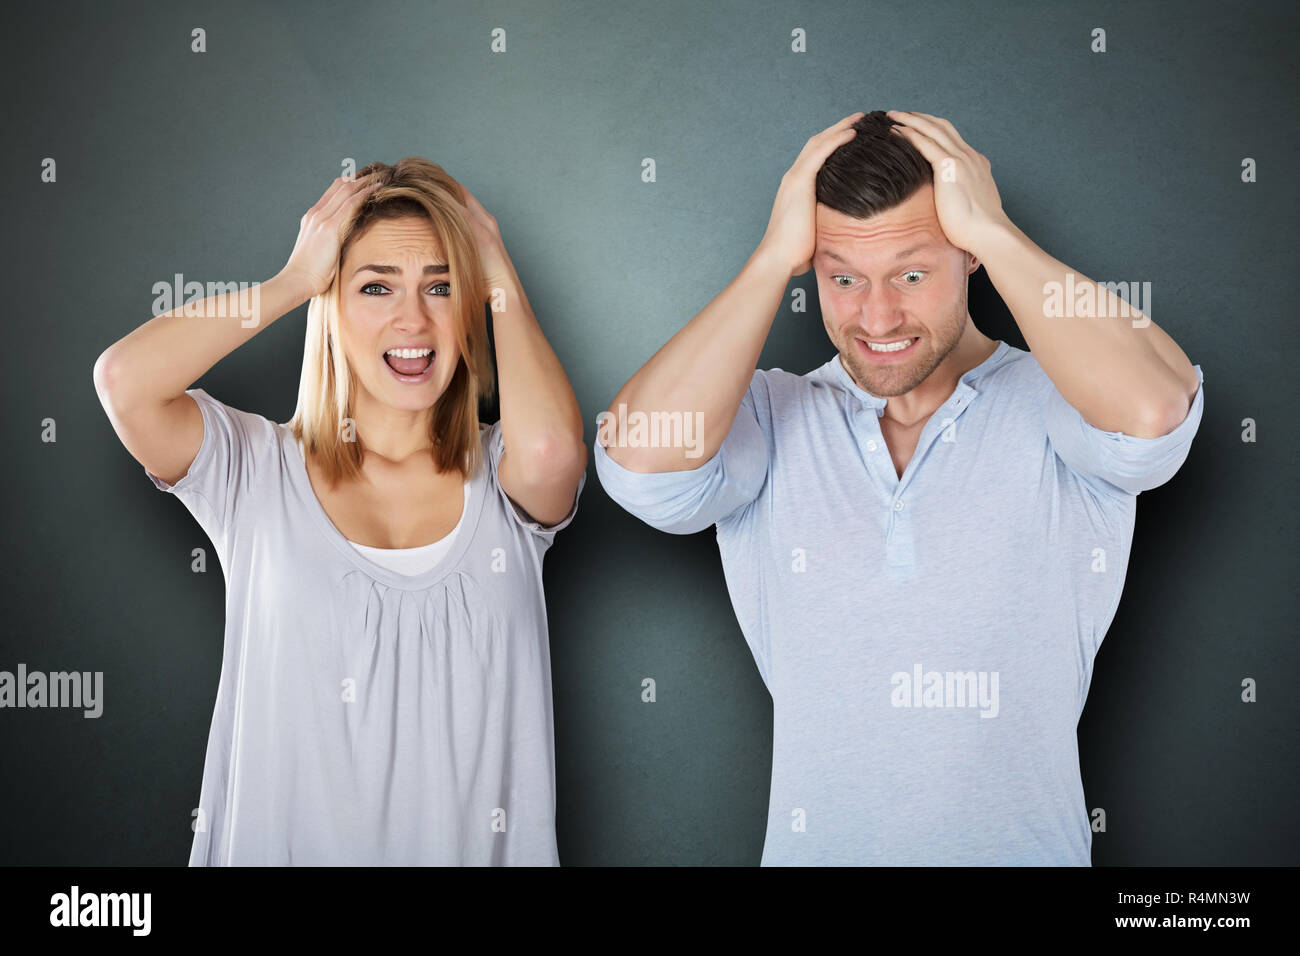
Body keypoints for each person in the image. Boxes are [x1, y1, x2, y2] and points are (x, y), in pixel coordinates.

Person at [594, 110, 1205, 865]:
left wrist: (996, 230)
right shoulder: (766, 416)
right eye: (842, 277)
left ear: (969, 257)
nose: (876, 316)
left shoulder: (1062, 403)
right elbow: (639, 467)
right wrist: (770, 259)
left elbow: (1153, 417)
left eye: (912, 274)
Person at [93, 158, 587, 865]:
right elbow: (124, 382)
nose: (413, 318)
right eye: (376, 286)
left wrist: (497, 270)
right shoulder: (254, 470)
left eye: (441, 286)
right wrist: (294, 281)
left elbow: (549, 451)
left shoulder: (505, 481)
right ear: (332, 306)